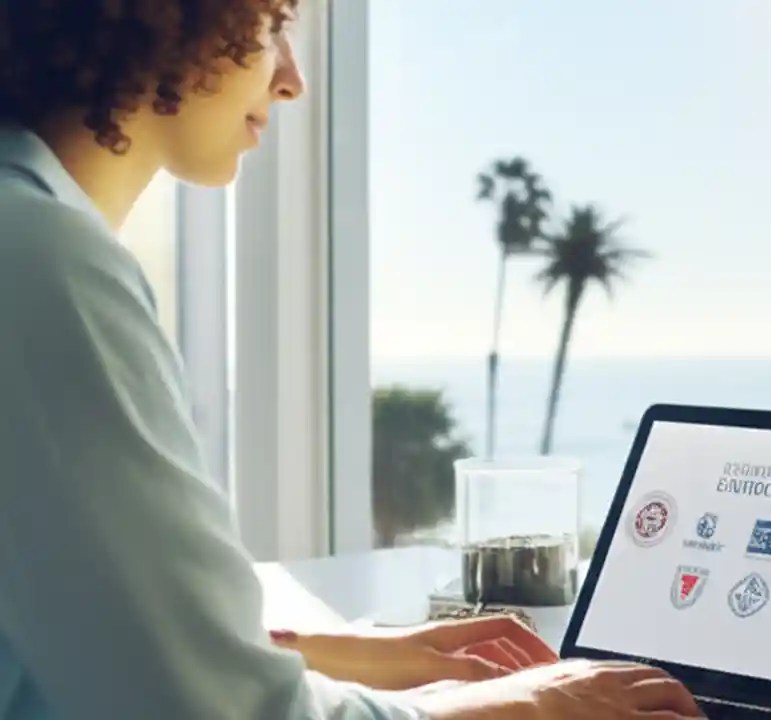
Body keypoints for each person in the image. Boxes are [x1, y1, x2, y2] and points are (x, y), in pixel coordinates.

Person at [0, 2, 703, 718]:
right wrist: (536, 708)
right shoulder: (38, 261)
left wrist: (359, 654)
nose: (292, 79)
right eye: (272, 27)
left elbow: (82, 629)